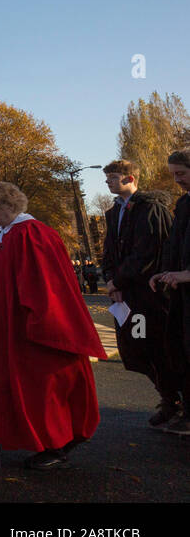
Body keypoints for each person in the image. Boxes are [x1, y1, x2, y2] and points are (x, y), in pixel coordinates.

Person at [0, 182, 106, 470]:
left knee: (44, 384)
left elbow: (47, 286)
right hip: (10, 328)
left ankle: (56, 441)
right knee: (26, 385)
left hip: (30, 327)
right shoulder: (3, 237)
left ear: (9, 205)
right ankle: (47, 439)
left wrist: (41, 322)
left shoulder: (32, 234)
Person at [100, 159, 178, 426]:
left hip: (149, 294)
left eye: (112, 177)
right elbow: (109, 251)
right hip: (126, 294)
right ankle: (169, 397)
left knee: (157, 347)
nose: (108, 182)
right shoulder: (114, 212)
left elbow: (148, 251)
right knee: (135, 350)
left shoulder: (150, 209)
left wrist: (118, 282)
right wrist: (111, 280)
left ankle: (174, 401)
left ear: (130, 178)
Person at [149, 150, 190, 435]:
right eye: (174, 174)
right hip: (183, 293)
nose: (177, 180)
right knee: (182, 351)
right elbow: (174, 244)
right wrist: (164, 272)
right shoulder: (184, 203)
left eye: (181, 174)